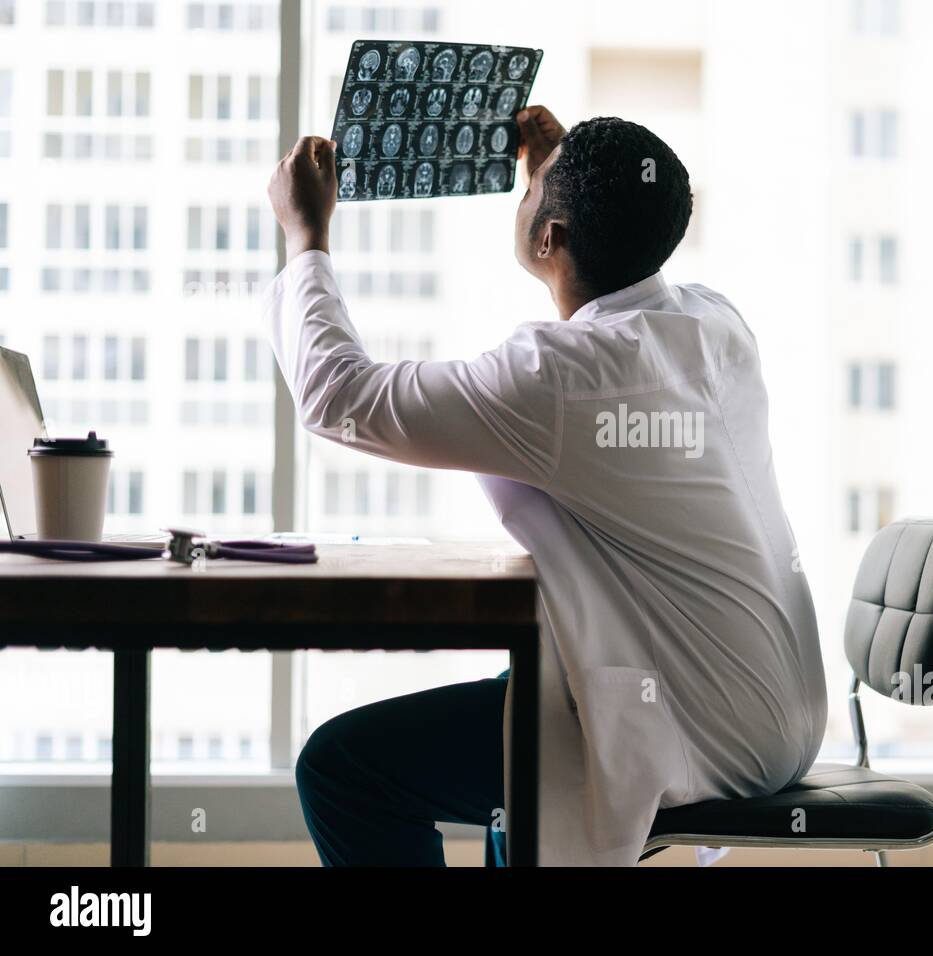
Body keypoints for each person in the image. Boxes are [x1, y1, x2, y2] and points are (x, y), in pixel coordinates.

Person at [264, 106, 827, 867]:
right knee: (524, 706)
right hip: (783, 709)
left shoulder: (557, 381)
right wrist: (566, 190)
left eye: (533, 193)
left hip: (703, 726)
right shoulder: (714, 322)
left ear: (550, 239)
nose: (524, 192)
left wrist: (305, 238)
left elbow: (339, 397)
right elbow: (598, 330)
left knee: (341, 770)